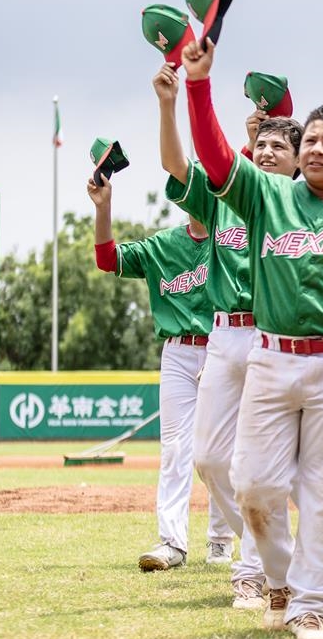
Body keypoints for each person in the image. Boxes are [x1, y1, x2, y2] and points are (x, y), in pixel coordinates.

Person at [183, 38, 323, 639]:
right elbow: (214, 159)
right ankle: (281, 578)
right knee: (252, 484)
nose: (315, 148)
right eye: (309, 139)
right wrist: (198, 84)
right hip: (271, 356)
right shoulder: (269, 196)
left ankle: (311, 605)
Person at [155, 61, 302, 610]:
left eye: (278, 146)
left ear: (298, 161)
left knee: (261, 460)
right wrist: (168, 103)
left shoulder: (302, 207)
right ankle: (274, 550)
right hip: (222, 335)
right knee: (211, 458)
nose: (267, 151)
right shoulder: (223, 198)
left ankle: (252, 572)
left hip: (272, 336)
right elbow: (176, 165)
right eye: (260, 144)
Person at [86, 173, 232, 572]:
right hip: (178, 353)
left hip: (224, 346)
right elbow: (107, 259)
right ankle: (172, 542)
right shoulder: (162, 246)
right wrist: (104, 207)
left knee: (221, 450)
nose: (193, 195)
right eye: (187, 189)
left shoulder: (233, 241)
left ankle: (221, 539)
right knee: (176, 448)